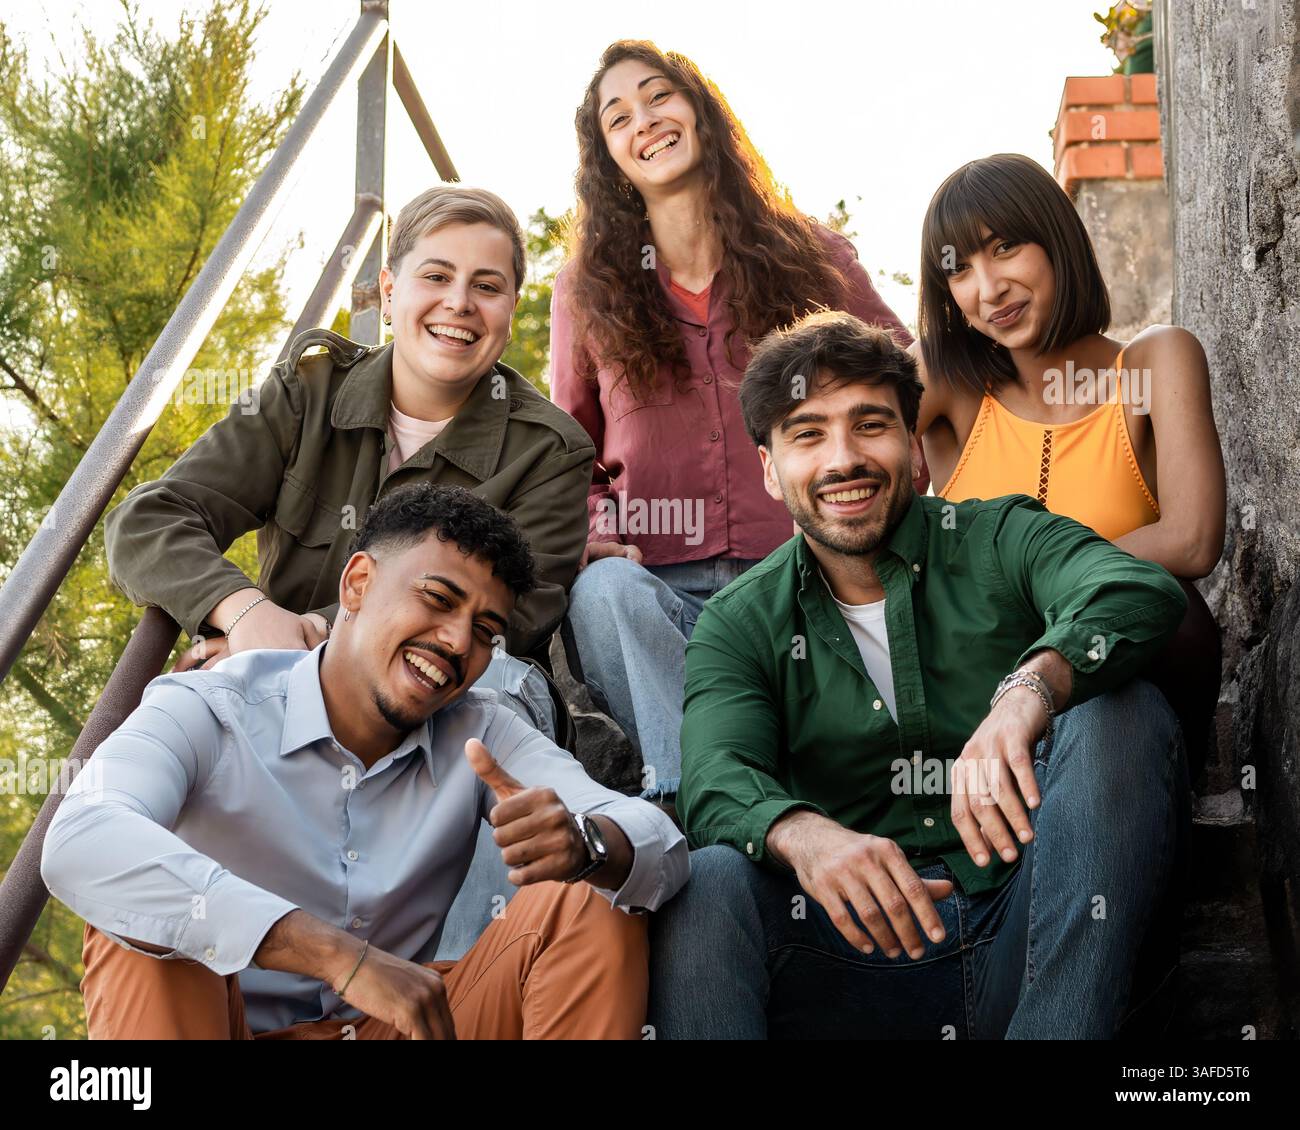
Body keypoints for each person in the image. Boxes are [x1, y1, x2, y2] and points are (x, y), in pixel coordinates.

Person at [648, 311, 1188, 1039]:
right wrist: (808, 836)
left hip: (1034, 926)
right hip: (852, 959)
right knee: (709, 880)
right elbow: (715, 779)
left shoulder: (1000, 536)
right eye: (808, 435)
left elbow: (1137, 590)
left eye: (870, 425)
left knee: (1121, 712)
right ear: (771, 471)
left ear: (916, 447)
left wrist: (1029, 692)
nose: (843, 459)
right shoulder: (740, 622)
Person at [104, 185, 595, 957]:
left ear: (509, 310)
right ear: (390, 290)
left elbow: (514, 616)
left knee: (491, 687)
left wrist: (306, 642)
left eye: (487, 286)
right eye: (436, 276)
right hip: (286, 708)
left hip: (448, 693)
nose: (459, 304)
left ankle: (456, 983)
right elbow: (150, 519)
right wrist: (242, 612)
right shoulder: (309, 390)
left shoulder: (551, 449)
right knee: (160, 793)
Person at [44, 484, 687, 1039]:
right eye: (437, 599)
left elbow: (659, 842)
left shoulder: (483, 728)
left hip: (405, 1027)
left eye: (486, 631)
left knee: (597, 891)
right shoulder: (209, 708)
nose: (459, 641)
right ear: (357, 584)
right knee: (141, 930)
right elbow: (80, 837)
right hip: (220, 1024)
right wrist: (337, 956)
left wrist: (589, 845)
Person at [551, 40, 912, 808]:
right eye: (619, 118)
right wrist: (588, 524)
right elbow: (566, 447)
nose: (644, 122)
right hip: (658, 589)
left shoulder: (811, 255)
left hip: (800, 573)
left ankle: (762, 795)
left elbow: (906, 373)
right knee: (600, 592)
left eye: (658, 97)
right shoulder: (585, 290)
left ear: (702, 111)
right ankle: (692, 799)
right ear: (608, 157)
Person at [913, 153, 1225, 772]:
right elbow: (832, 464)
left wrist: (1035, 585)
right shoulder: (945, 380)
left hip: (1121, 694)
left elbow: (1192, 543)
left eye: (1005, 247)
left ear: (1056, 238)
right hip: (977, 690)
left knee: (1178, 610)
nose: (988, 288)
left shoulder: (1154, 361)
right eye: (960, 270)